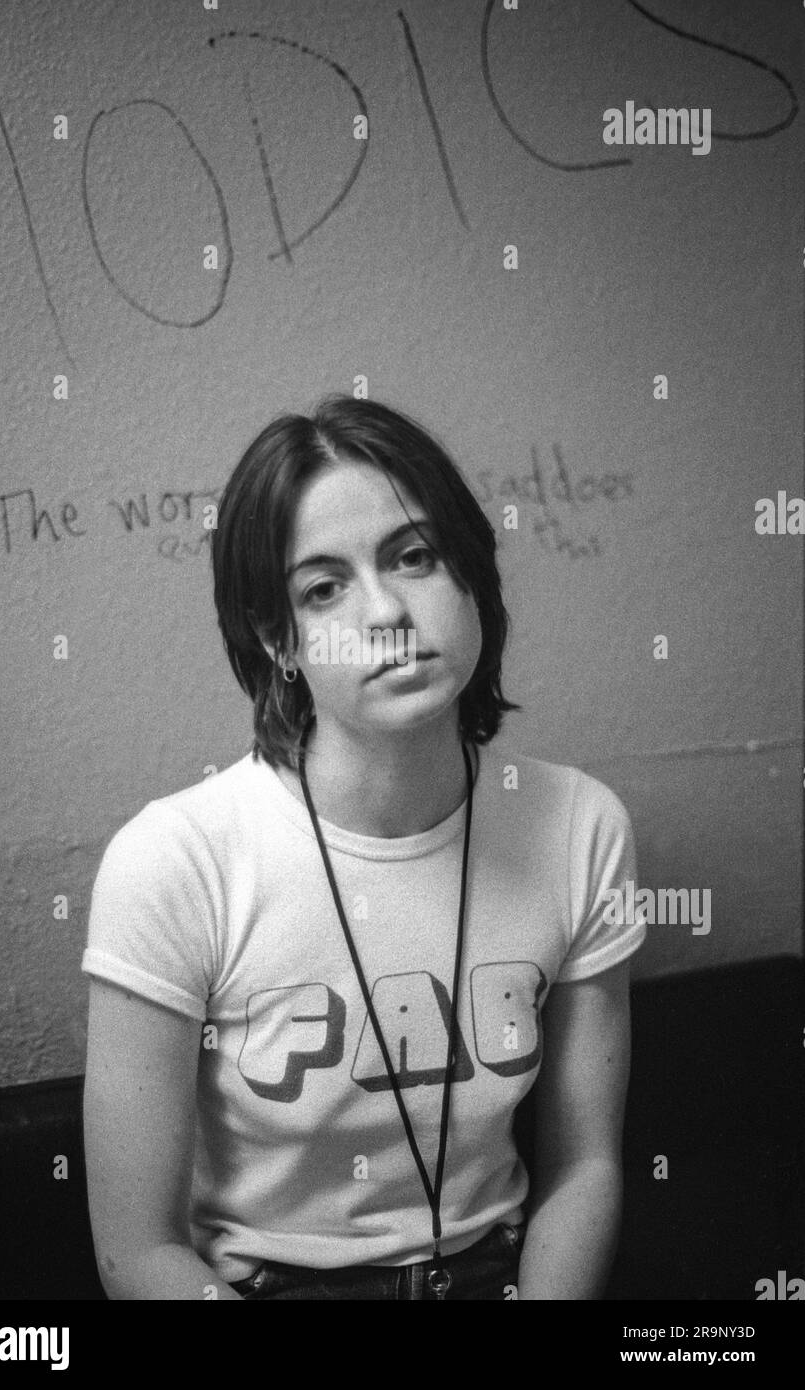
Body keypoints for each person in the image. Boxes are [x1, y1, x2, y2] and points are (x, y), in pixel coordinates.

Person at [81, 393, 646, 1300]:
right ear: (280, 640)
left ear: (469, 572)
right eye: (323, 588)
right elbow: (137, 1252)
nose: (384, 609)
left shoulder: (578, 826)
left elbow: (582, 1169)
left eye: (413, 556)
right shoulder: (173, 862)